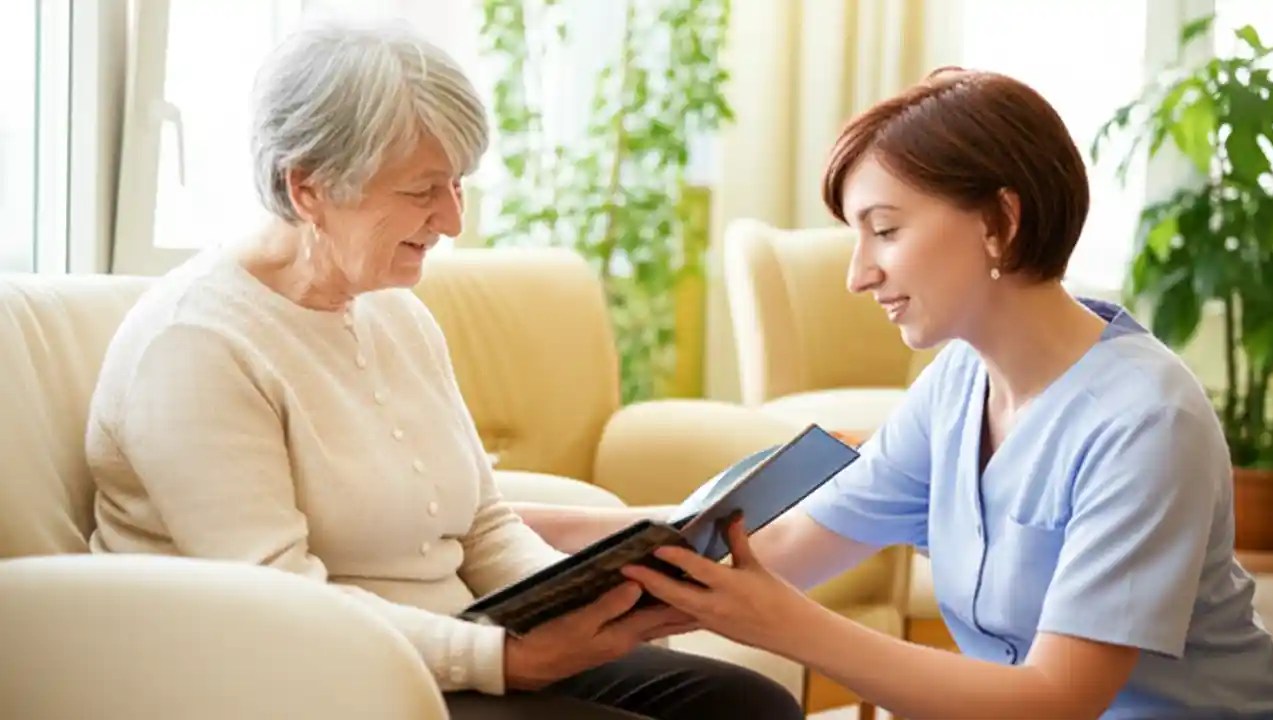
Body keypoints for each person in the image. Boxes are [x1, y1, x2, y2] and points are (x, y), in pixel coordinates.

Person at [84, 23, 803, 720]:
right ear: (308, 188)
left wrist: (590, 603)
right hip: (300, 675)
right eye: (422, 190)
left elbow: (482, 525)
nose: (453, 219)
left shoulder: (393, 310)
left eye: (457, 183)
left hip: (454, 647)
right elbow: (280, 600)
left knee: (748, 705)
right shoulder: (195, 345)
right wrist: (505, 661)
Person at [521, 68, 1273, 718]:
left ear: (1000, 221)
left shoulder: (1146, 421)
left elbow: (1058, 701)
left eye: (884, 230)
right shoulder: (956, 386)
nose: (857, 274)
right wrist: (522, 528)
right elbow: (777, 546)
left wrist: (790, 627)